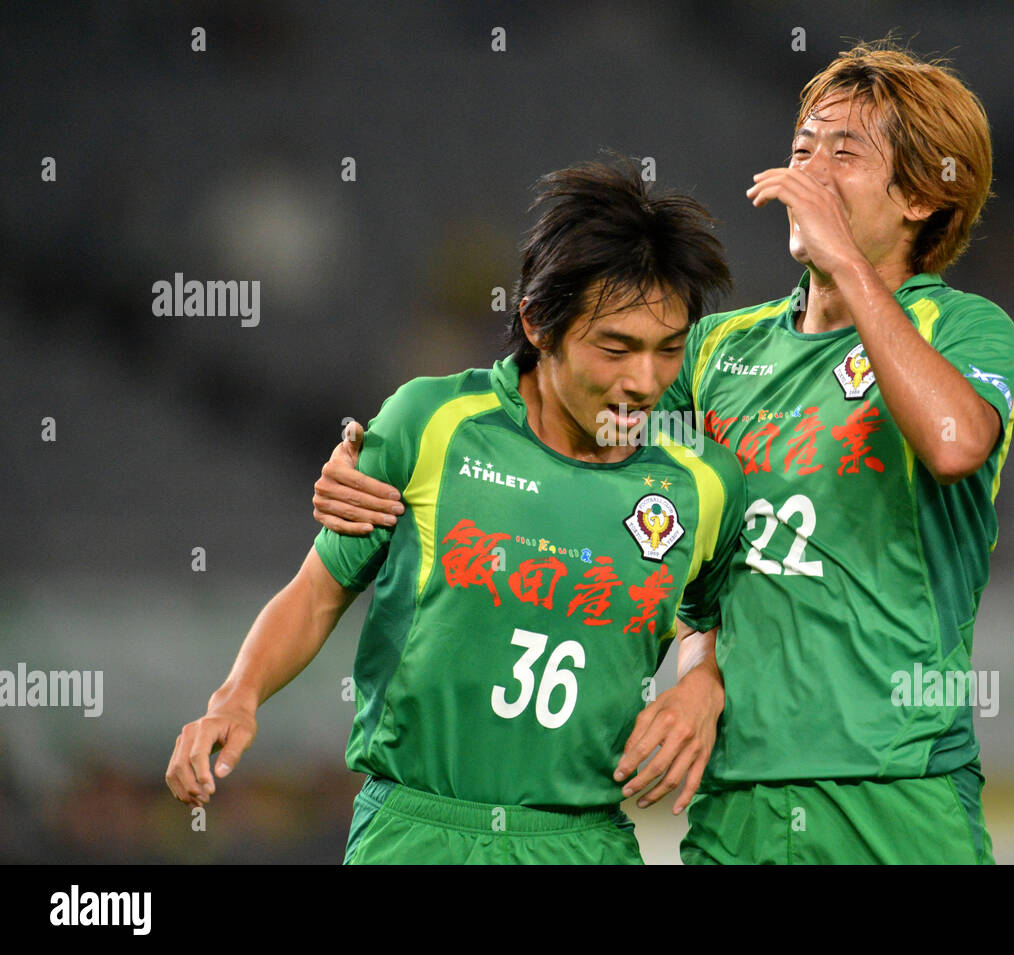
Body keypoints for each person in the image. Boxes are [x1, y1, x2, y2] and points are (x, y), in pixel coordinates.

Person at [314, 39, 1014, 864]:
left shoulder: (963, 329)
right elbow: (574, 441)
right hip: (739, 793)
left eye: (844, 152)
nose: (809, 171)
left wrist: (849, 269)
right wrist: (381, 459)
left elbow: (952, 443)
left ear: (921, 196)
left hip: (898, 785)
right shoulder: (715, 351)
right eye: (801, 148)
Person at [165, 160, 742, 864]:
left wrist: (704, 679)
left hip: (587, 839)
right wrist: (236, 695)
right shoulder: (430, 422)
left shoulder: (702, 482)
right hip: (418, 829)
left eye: (668, 351)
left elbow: (719, 618)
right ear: (537, 323)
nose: (644, 380)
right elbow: (318, 593)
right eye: (615, 347)